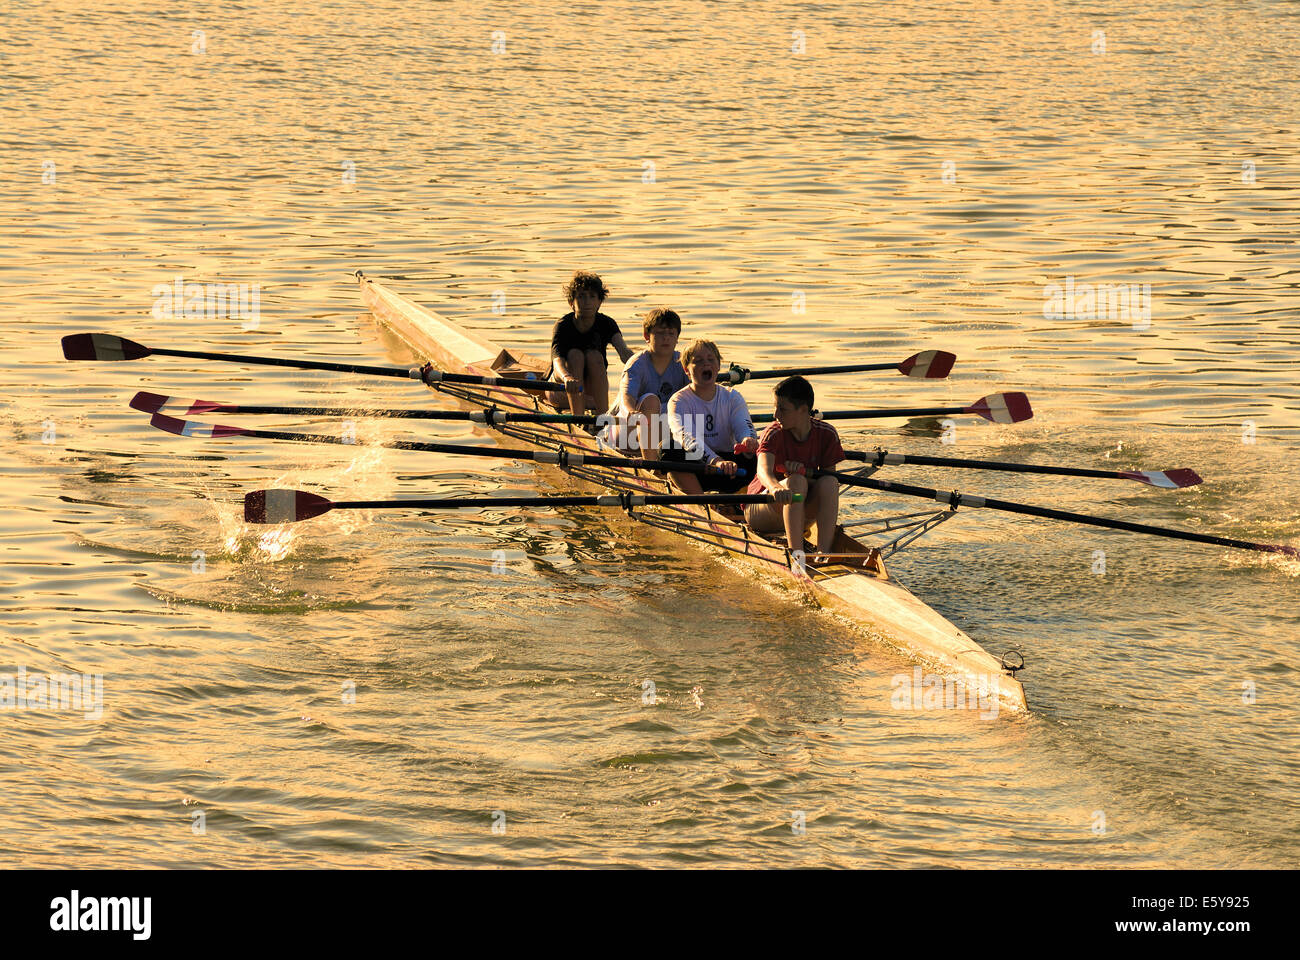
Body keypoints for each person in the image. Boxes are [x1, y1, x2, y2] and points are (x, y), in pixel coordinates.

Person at [743, 375, 845, 563]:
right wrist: (776, 487)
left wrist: (804, 475)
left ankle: (823, 554)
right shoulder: (773, 432)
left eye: (782, 409)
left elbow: (826, 480)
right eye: (775, 407)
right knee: (796, 482)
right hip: (763, 508)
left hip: (799, 505)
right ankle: (797, 557)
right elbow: (762, 471)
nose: (776, 415)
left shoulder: (827, 434)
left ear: (804, 410)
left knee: (830, 482)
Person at [664, 339, 758, 494]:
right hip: (699, 467)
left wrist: (748, 441)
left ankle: (740, 499)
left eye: (710, 359)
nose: (706, 364)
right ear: (686, 369)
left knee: (765, 451)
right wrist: (716, 461)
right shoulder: (678, 401)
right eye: (698, 361)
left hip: (731, 467)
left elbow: (743, 425)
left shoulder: (732, 396)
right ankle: (699, 501)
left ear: (718, 366)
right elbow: (687, 438)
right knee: (668, 449)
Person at [546, 271, 634, 417]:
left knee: (594, 356)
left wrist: (648, 365)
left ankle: (602, 421)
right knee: (576, 356)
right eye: (581, 296)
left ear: (599, 302)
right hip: (561, 390)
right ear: (571, 303)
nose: (587, 302)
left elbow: (625, 353)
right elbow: (557, 361)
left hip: (591, 393)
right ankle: (578, 420)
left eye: (592, 296)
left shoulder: (607, 323)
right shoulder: (563, 325)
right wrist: (567, 378)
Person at [604, 308, 688, 460]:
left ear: (677, 338)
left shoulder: (683, 363)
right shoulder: (637, 364)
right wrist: (632, 412)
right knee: (651, 401)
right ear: (646, 336)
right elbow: (626, 399)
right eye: (660, 333)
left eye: (671, 334)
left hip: (662, 429)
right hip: (627, 430)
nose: (666, 338)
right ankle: (652, 464)